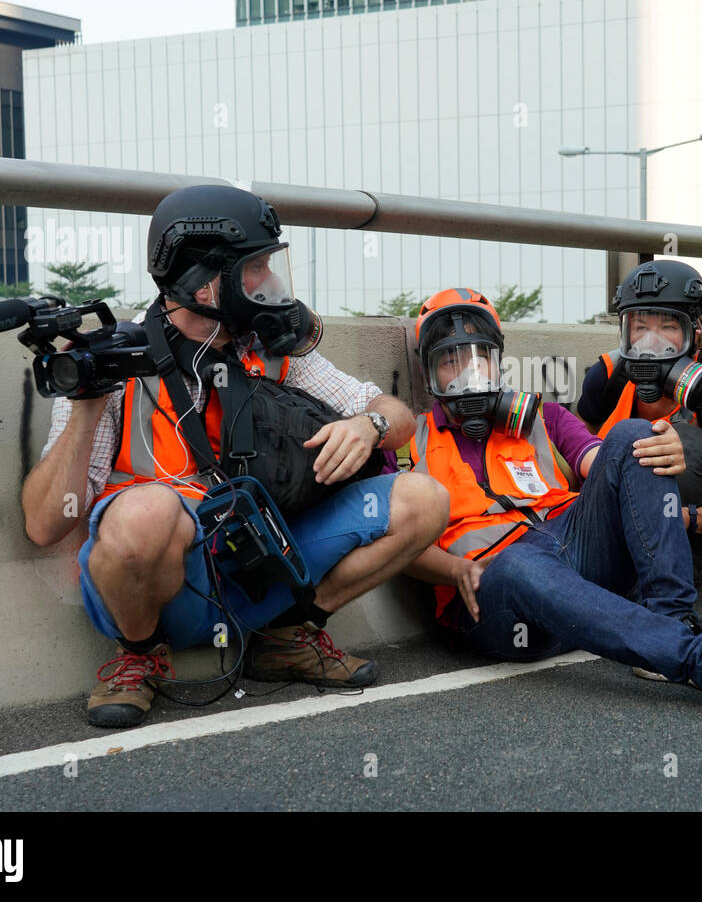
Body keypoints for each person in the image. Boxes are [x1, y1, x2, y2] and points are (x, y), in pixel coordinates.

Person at [22, 184, 448, 727]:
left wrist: (371, 425)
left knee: (425, 498)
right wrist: (84, 407)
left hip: (262, 564)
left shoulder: (266, 345)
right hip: (168, 579)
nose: (270, 283)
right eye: (256, 267)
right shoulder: (117, 359)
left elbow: (393, 412)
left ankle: (288, 637)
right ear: (202, 282)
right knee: (147, 510)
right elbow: (43, 525)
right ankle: (141, 656)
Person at [403, 288, 702, 727]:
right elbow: (396, 538)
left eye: (479, 357)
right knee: (516, 565)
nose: (467, 373)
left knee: (633, 438)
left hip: (573, 545)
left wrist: (658, 449)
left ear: (497, 361)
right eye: (451, 360)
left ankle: (672, 616)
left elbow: (599, 460)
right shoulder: (406, 442)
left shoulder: (543, 418)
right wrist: (454, 571)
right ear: (430, 372)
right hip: (496, 593)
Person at [577, 260, 702, 629]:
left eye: (668, 326)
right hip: (634, 523)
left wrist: (670, 519)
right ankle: (683, 581)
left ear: (695, 332)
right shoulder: (605, 376)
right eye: (639, 326)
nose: (650, 342)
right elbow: (577, 455)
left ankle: (694, 589)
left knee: (673, 440)